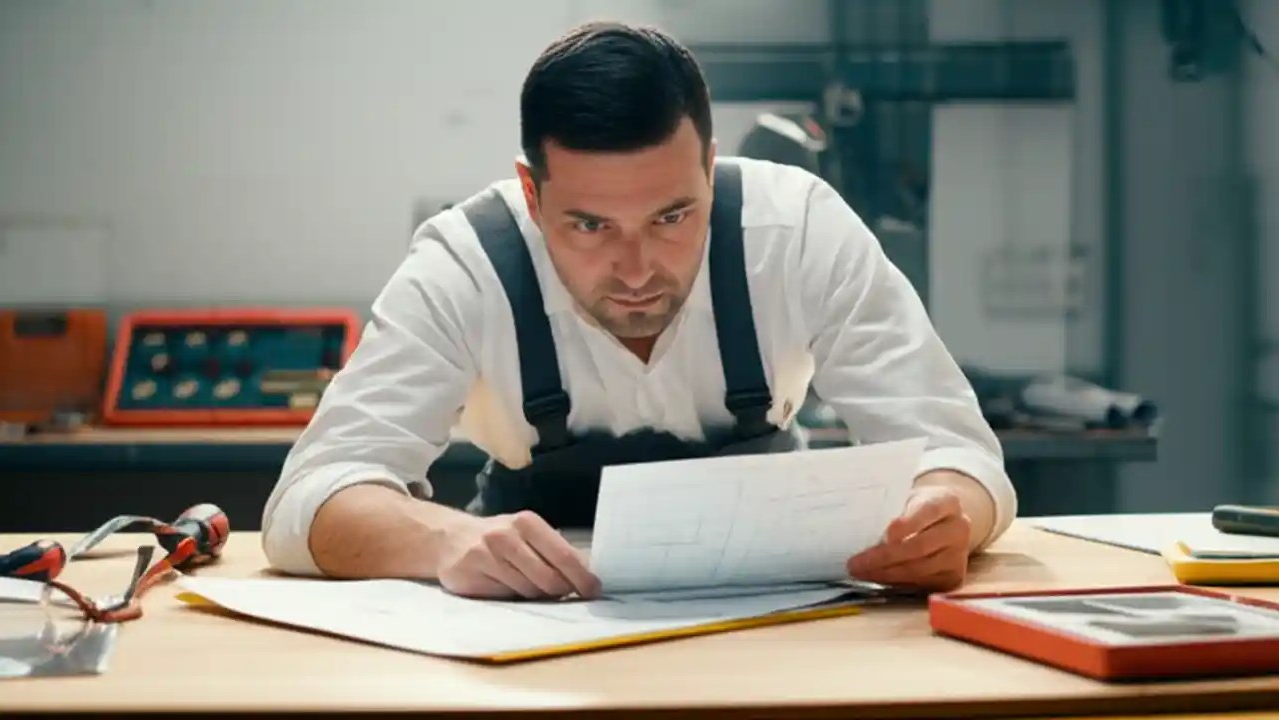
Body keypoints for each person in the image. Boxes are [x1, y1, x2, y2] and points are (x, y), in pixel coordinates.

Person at [261, 21, 1015, 600]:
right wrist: (442, 540)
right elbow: (309, 500)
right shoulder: (465, 266)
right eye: (590, 226)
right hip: (536, 623)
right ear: (532, 194)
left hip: (779, 617)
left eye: (672, 216)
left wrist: (946, 511)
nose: (636, 270)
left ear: (709, 169)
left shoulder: (800, 232)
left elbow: (962, 457)